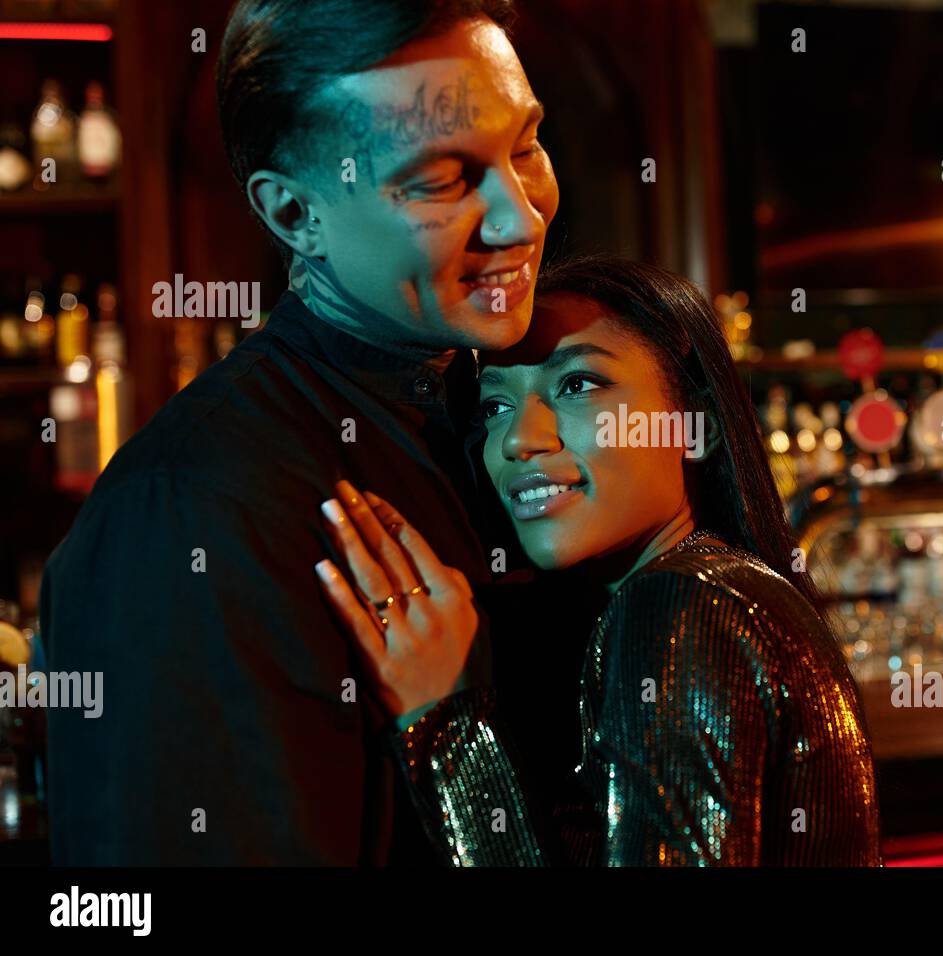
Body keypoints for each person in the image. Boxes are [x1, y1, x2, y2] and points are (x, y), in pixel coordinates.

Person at [39, 0, 559, 864]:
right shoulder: (187, 511)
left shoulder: (512, 412)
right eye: (441, 181)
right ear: (292, 216)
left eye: (527, 147)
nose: (521, 218)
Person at [316, 256, 882, 865]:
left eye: (578, 384)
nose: (518, 439)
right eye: (495, 407)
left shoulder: (683, 603)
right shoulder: (719, 594)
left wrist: (449, 727)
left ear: (699, 428)